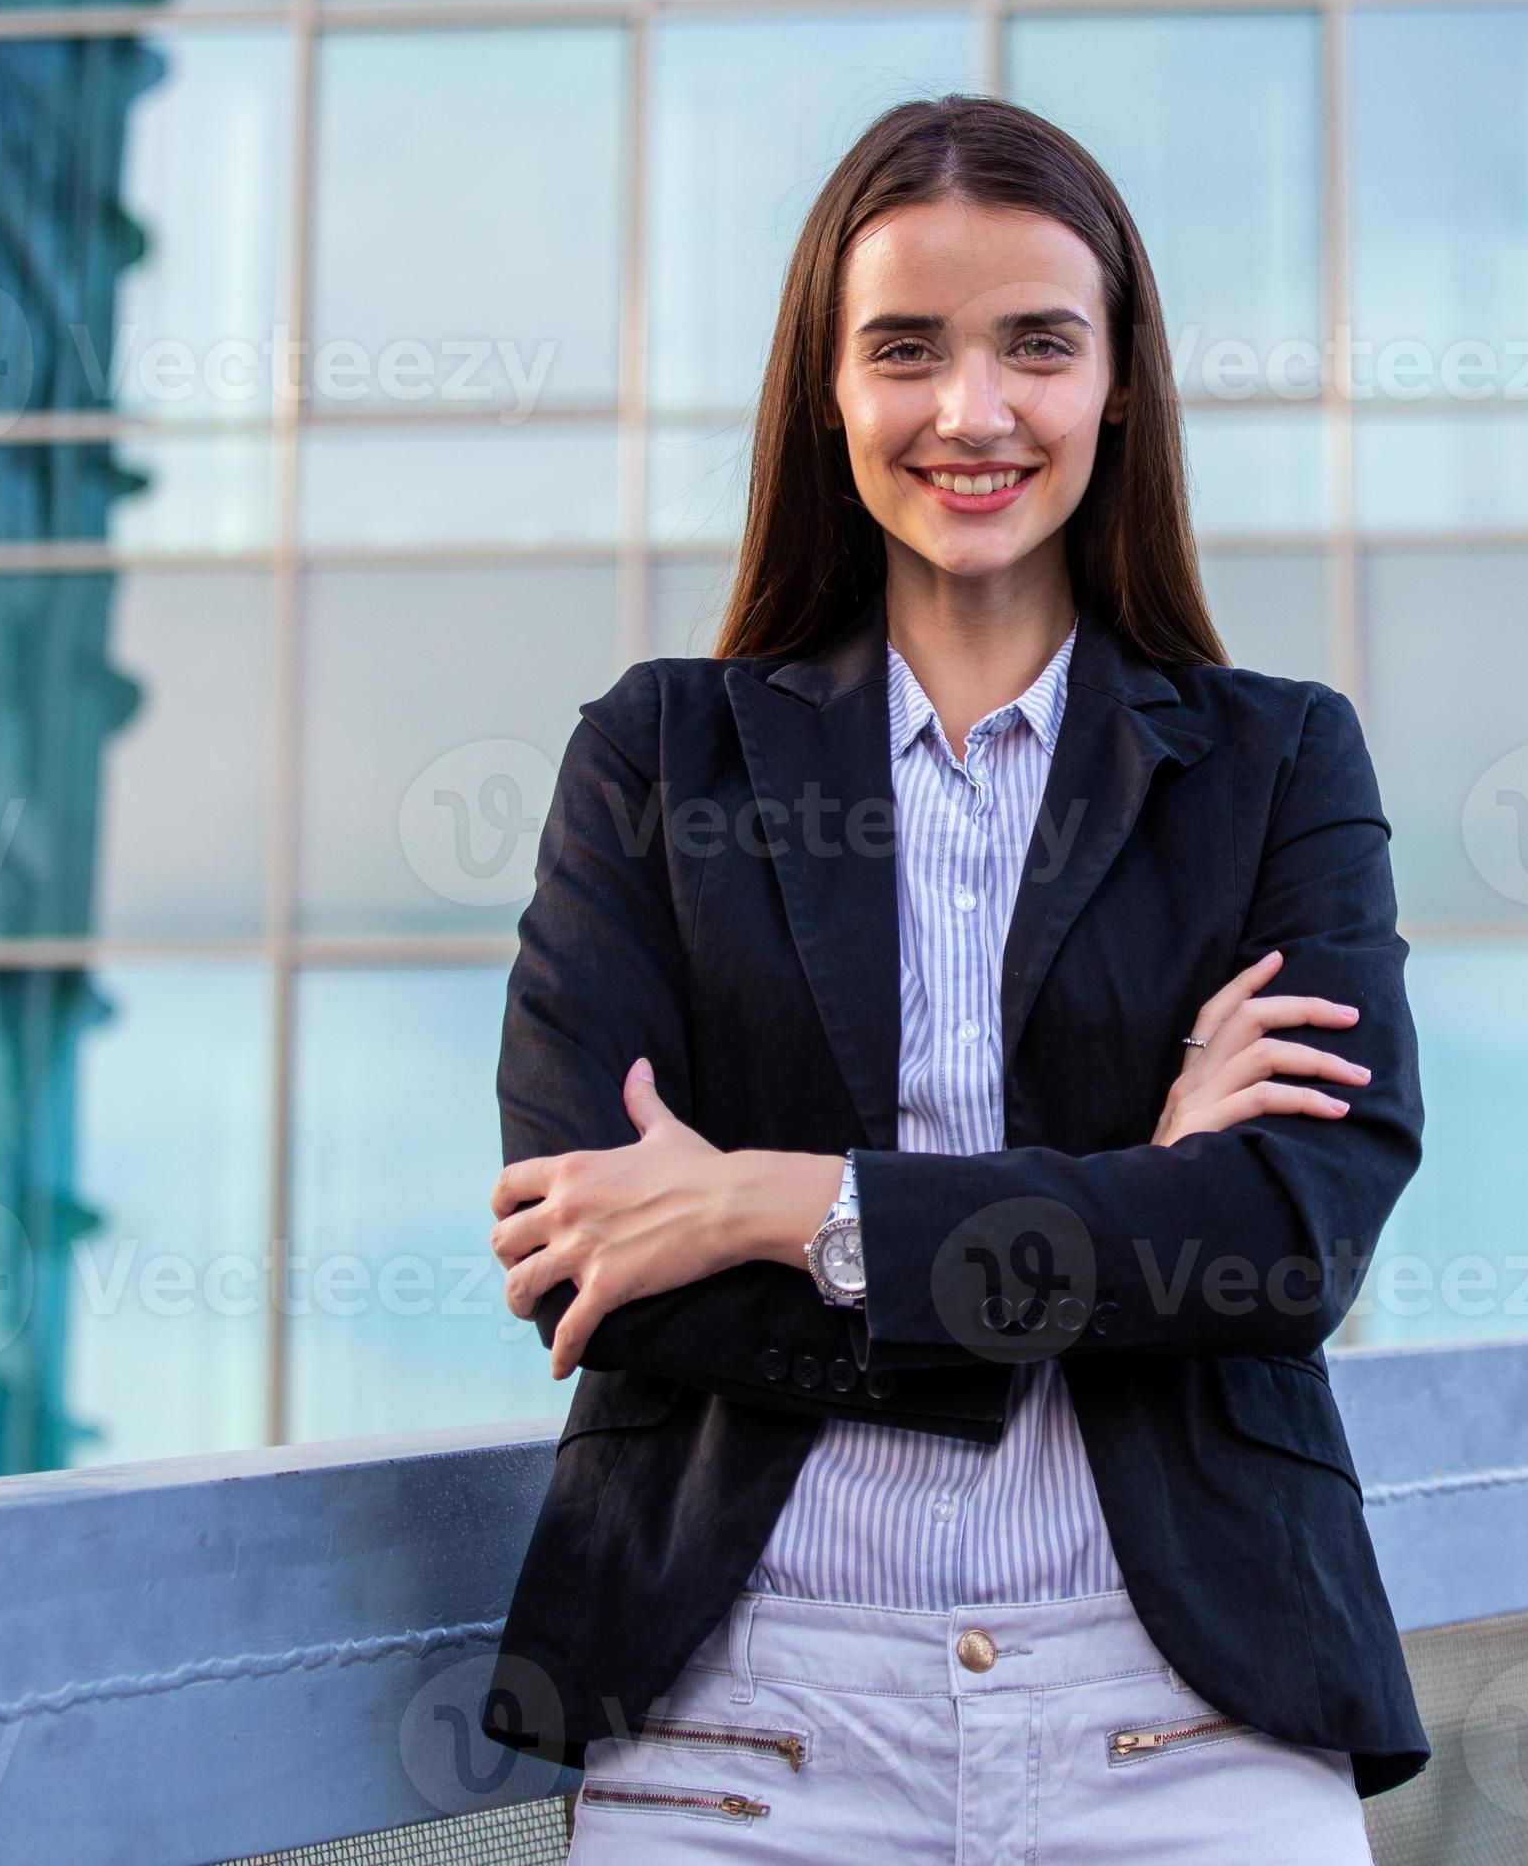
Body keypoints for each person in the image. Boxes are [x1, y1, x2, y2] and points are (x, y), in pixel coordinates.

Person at [479, 93, 1427, 1859]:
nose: (970, 412)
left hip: (1190, 1726)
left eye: (1036, 348)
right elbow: (589, 1260)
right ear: (826, 389)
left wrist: (778, 1202)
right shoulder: (658, 757)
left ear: (1118, 381)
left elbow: (1289, 1238)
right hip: (738, 1739)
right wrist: (1139, 1204)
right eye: (904, 348)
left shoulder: (1276, 767)